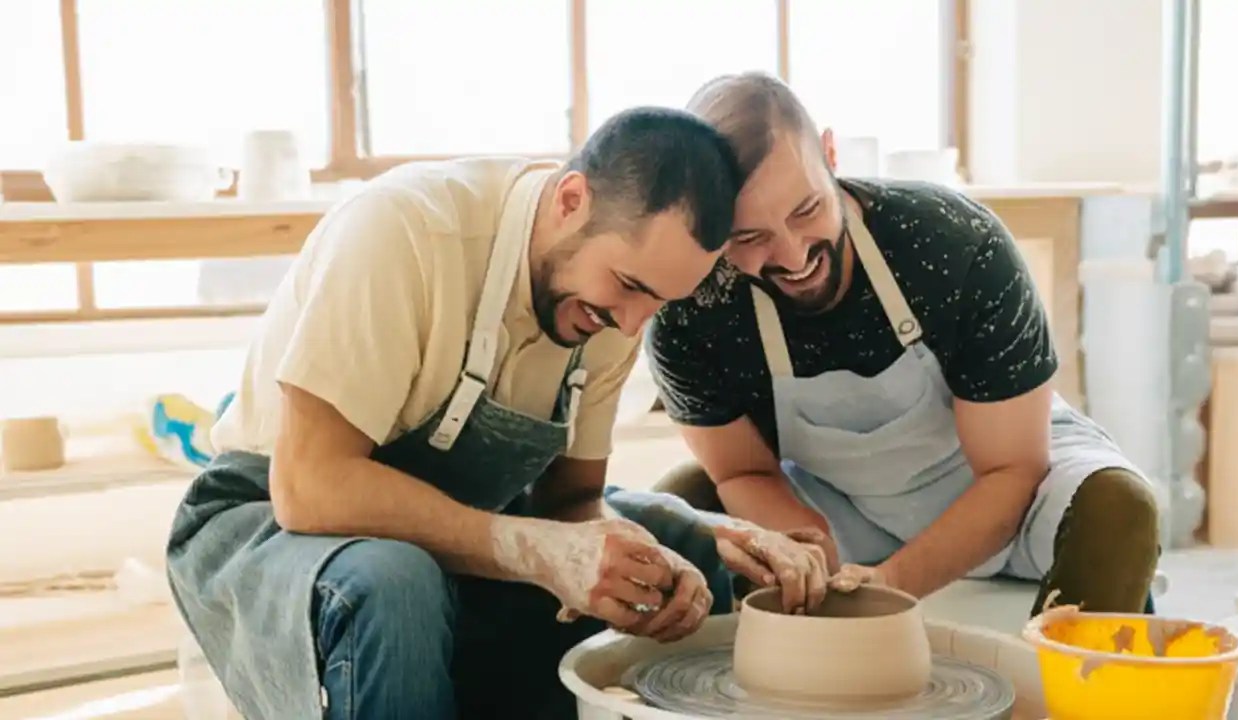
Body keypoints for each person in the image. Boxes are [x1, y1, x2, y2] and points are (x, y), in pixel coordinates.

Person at [166, 108, 811, 720]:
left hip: (470, 516)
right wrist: (533, 549)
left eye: (660, 303)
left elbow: (573, 503)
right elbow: (309, 486)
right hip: (267, 521)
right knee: (395, 579)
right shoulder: (404, 231)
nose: (633, 324)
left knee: (679, 549)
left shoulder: (617, 309)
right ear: (570, 201)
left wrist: (666, 548)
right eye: (629, 286)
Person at [646, 73, 1161, 620]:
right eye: (749, 238)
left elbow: (1012, 470)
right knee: (683, 504)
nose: (794, 256)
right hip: (843, 504)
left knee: (1120, 507)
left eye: (807, 210)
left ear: (830, 153)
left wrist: (891, 584)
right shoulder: (692, 309)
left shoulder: (953, 244)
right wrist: (806, 557)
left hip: (1012, 485)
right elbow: (741, 474)